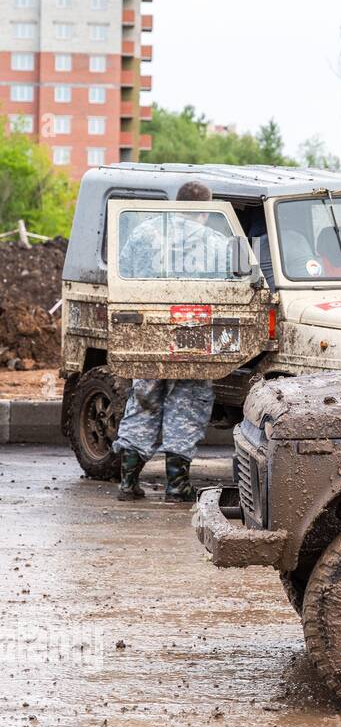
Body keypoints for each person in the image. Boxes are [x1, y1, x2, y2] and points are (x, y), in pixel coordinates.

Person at [112, 180, 226, 504]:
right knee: (186, 404)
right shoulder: (217, 243)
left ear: (175, 204)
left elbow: (125, 279)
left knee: (143, 399)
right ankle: (177, 485)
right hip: (193, 328)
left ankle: (128, 481)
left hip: (149, 327)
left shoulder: (143, 233)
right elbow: (231, 291)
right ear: (205, 210)